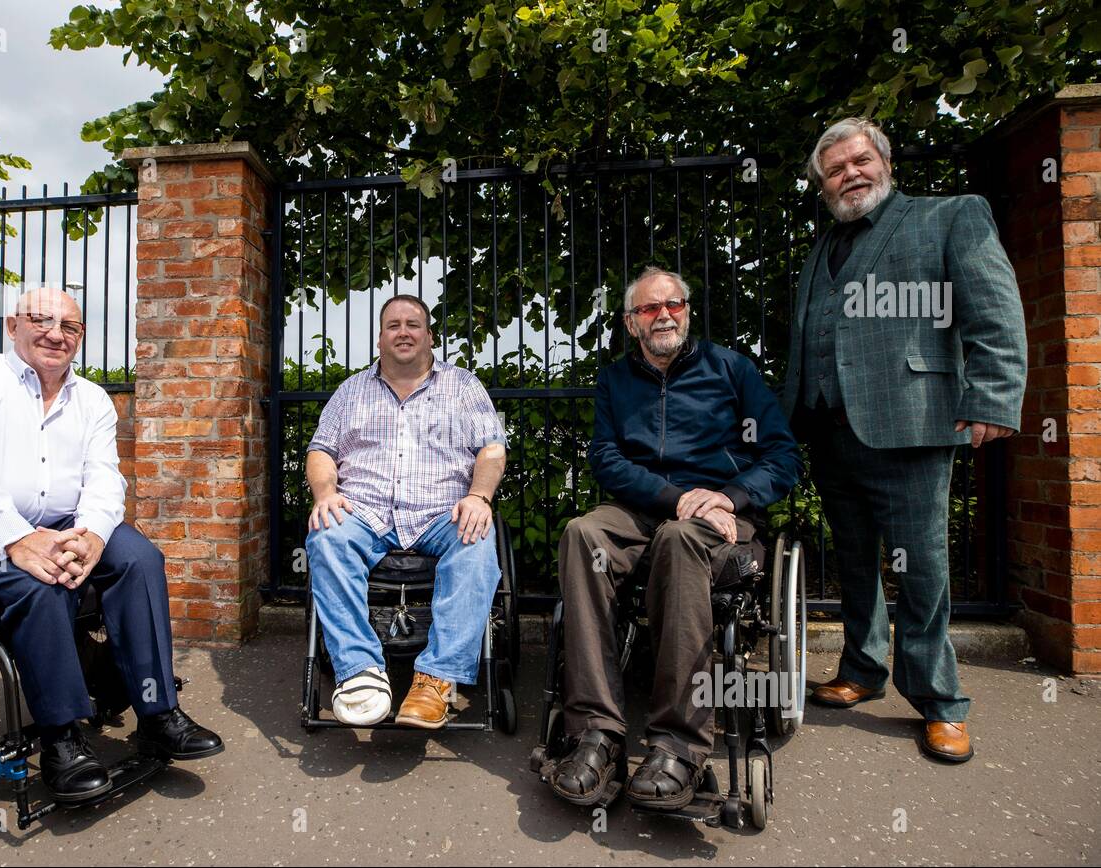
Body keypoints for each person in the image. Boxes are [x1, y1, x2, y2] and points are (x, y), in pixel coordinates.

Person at [0, 286, 223, 802]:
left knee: (140, 558)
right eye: (40, 320)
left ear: (79, 338)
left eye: (69, 327)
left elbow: (105, 479)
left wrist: (94, 536)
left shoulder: (93, 399)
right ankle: (62, 738)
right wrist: (19, 538)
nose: (55, 333)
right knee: (42, 581)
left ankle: (158, 710)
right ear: (13, 326)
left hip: (63, 526)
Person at [783, 117, 1027, 762]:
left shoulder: (949, 217)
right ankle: (863, 670)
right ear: (822, 183)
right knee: (857, 564)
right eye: (834, 170)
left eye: (859, 161)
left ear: (885, 162)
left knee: (921, 570)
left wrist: (993, 398)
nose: (849, 175)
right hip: (830, 431)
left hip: (914, 425)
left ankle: (942, 703)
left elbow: (994, 309)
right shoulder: (824, 245)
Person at [550, 266, 801, 809]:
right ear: (630, 322)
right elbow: (606, 459)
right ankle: (597, 732)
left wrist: (730, 496)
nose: (663, 314)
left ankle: (679, 744)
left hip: (718, 517)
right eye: (649, 308)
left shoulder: (732, 370)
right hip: (643, 509)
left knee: (681, 540)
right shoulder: (616, 380)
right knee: (581, 533)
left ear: (687, 310)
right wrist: (671, 497)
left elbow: (782, 457)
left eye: (674, 304)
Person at [304, 293, 506, 728]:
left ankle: (436, 679)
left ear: (429, 336)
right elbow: (320, 451)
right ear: (379, 338)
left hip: (442, 513)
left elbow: (492, 450)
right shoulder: (350, 392)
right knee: (326, 535)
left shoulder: (464, 387)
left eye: (413, 324)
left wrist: (479, 496)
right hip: (365, 513)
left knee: (477, 537)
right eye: (393, 325)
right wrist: (325, 493)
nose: (403, 332)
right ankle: (360, 673)